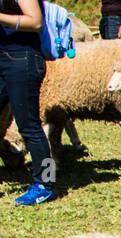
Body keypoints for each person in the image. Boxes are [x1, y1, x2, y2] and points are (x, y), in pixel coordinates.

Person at [0, 0, 56, 205]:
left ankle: (47, 183)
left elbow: (35, 22)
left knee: (30, 126)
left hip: (22, 59)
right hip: (3, 58)